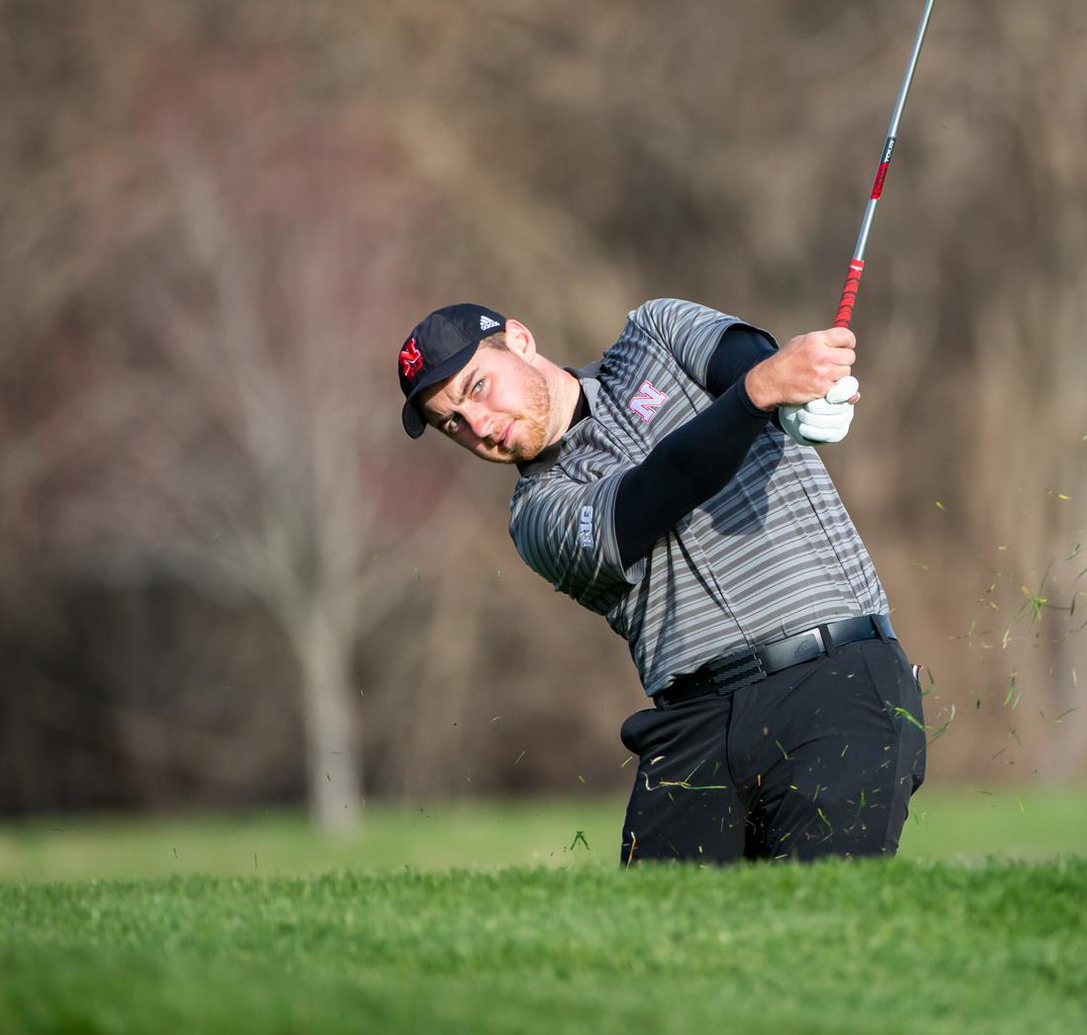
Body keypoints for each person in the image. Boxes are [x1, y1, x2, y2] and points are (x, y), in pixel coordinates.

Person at [396, 299, 927, 864]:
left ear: (520, 341)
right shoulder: (536, 516)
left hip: (836, 680)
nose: (477, 426)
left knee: (824, 931)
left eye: (477, 387)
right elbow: (658, 490)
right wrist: (757, 396)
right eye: (450, 422)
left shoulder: (654, 333)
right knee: (656, 943)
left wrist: (797, 398)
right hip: (693, 728)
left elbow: (748, 361)